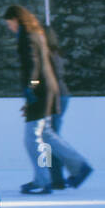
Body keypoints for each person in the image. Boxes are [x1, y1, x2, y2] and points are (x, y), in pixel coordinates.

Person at [4, 4, 93, 194]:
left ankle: (43, 180)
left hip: (41, 91)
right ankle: (79, 166)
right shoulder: (37, 34)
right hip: (48, 90)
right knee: (47, 134)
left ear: (16, 20)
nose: (9, 28)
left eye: (9, 23)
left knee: (31, 138)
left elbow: (33, 66)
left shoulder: (27, 36)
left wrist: (31, 88)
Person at [46, 31, 72, 189]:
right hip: (60, 95)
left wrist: (32, 86)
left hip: (54, 97)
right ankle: (54, 176)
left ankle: (55, 177)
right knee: (50, 138)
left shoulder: (48, 55)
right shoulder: (54, 54)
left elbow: (43, 78)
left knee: (49, 139)